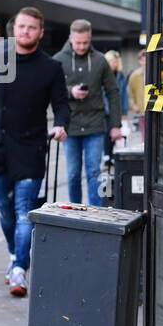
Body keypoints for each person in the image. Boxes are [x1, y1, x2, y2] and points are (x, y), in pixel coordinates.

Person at [0, 6, 69, 296]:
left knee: (24, 210)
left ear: (40, 32)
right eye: (21, 26)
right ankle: (16, 256)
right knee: (4, 211)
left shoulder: (51, 67)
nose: (25, 31)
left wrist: (62, 125)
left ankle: (19, 269)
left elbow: (61, 104)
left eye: (31, 27)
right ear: (14, 29)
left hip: (31, 147)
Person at [56, 20, 122, 206]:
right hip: (70, 125)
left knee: (94, 171)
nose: (82, 46)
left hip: (95, 124)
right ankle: (75, 211)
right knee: (73, 173)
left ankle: (95, 213)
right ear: (70, 38)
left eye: (85, 42)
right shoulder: (59, 60)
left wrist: (115, 125)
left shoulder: (100, 60)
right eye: (78, 42)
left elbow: (113, 91)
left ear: (90, 38)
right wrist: (71, 92)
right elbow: (52, 91)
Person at [127, 47, 147, 136]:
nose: (145, 63)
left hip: (155, 110)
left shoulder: (158, 73)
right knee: (145, 137)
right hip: (141, 112)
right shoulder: (135, 76)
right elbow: (130, 93)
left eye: (147, 60)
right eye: (143, 60)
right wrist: (133, 106)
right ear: (140, 61)